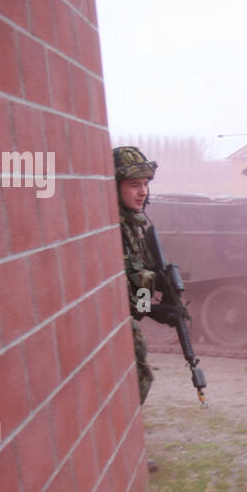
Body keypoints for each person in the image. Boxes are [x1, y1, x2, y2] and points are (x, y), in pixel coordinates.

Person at [114, 145, 163, 472]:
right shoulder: (113, 226)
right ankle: (125, 451)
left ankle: (125, 448)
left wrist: (157, 309)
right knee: (140, 373)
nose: (142, 191)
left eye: (145, 183)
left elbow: (138, 284)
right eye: (134, 184)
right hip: (111, 318)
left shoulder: (134, 224)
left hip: (123, 314)